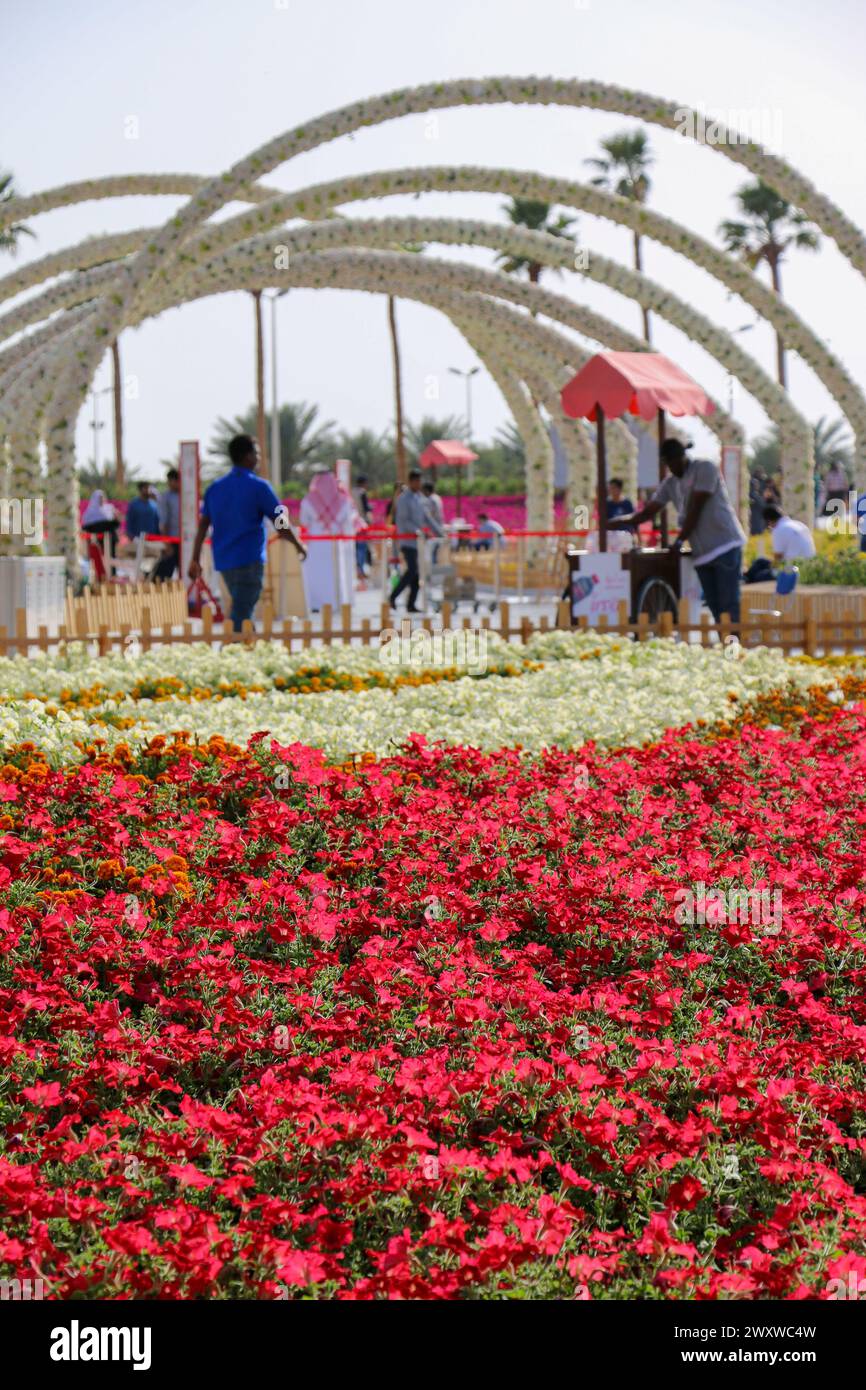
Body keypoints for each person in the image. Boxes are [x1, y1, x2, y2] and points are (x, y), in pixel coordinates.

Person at [609, 439, 746, 624]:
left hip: (724, 546)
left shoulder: (705, 468)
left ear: (683, 456)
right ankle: (726, 647)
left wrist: (679, 541)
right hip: (702, 553)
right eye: (668, 464)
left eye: (674, 461)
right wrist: (614, 522)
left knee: (728, 604)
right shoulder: (670, 483)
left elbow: (695, 509)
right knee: (714, 605)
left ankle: (734, 649)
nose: (672, 467)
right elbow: (648, 512)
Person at [188, 434, 306, 632]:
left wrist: (195, 558)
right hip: (249, 560)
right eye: (256, 453)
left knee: (243, 610)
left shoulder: (215, 488)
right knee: (241, 615)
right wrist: (298, 545)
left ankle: (249, 651)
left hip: (225, 561)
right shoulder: (259, 487)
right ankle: (228, 654)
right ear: (247, 456)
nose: (259, 458)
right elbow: (280, 522)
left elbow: (202, 525)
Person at [299, 470, 359, 611]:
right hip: (335, 543)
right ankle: (336, 603)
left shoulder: (308, 500)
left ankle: (315, 604)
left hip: (315, 542)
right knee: (335, 573)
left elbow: (303, 520)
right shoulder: (344, 501)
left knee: (315, 573)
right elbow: (348, 523)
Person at [391, 469, 445, 612]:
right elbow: (403, 520)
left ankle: (411, 604)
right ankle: (393, 596)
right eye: (416, 481)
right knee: (412, 570)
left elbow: (427, 518)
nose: (418, 484)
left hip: (419, 542)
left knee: (417, 573)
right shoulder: (404, 499)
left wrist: (440, 532)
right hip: (407, 541)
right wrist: (418, 531)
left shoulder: (420, 498)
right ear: (411, 481)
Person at [153, 468, 181, 580]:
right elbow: (163, 522)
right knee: (164, 575)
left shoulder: (185, 495)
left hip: (184, 540)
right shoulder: (166, 497)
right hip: (172, 540)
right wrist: (167, 543)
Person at [82, 489, 120, 557]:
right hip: (97, 540)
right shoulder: (90, 511)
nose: (101, 500)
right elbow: (86, 527)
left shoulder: (109, 508)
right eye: (99, 498)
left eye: (102, 498)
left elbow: (115, 523)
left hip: (110, 539)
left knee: (111, 556)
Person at [352, 473, 372, 577]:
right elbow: (366, 509)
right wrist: (369, 521)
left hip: (352, 524)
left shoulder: (351, 492)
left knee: (356, 548)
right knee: (362, 548)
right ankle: (361, 570)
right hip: (361, 524)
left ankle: (358, 569)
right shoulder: (362, 492)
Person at [422, 480, 445, 563]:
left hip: (435, 530)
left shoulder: (431, 500)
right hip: (439, 528)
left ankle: (433, 573)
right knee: (434, 552)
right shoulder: (437, 497)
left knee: (432, 553)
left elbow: (430, 516)